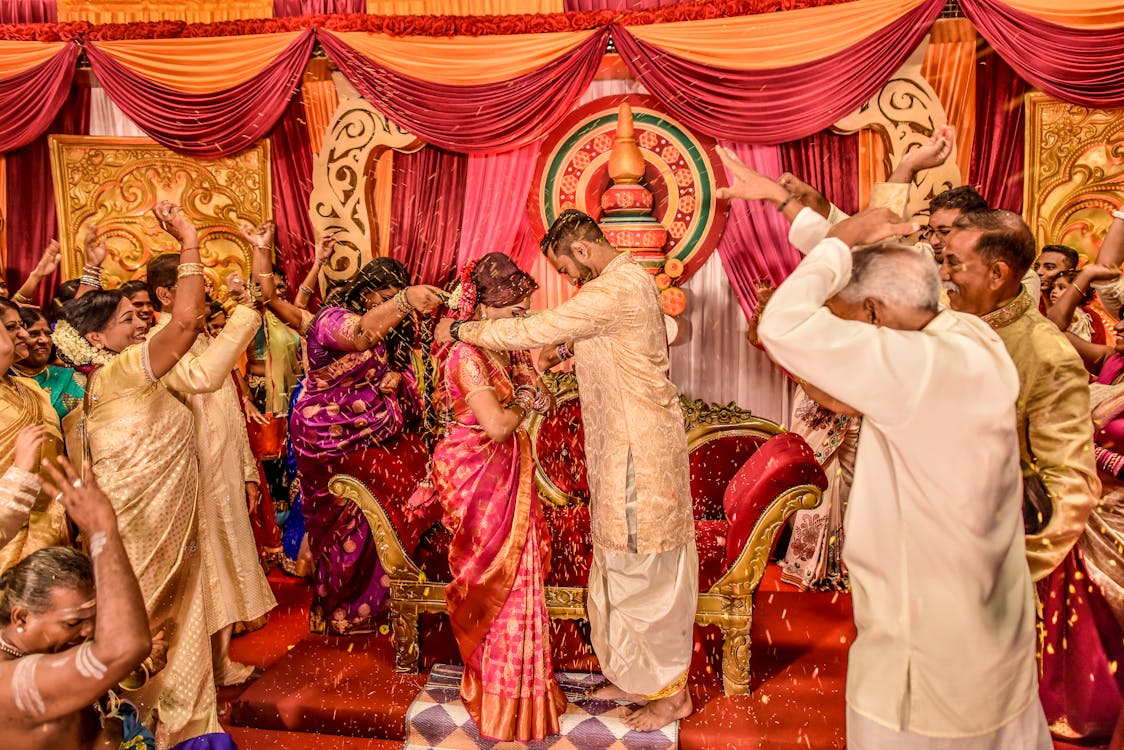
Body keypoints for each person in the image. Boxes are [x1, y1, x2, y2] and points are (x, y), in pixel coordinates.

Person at [757, 206, 1050, 748]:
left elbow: (783, 324)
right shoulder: (969, 338)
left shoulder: (912, 365)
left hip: (925, 650)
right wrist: (830, 232)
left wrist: (838, 242)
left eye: (847, 317)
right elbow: (895, 273)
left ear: (873, 314)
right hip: (993, 624)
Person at [436, 210, 697, 731]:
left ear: (580, 251)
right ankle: (639, 676)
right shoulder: (614, 290)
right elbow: (572, 339)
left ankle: (673, 696)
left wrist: (460, 328)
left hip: (639, 456)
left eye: (566, 269)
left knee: (647, 570)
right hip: (617, 453)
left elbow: (538, 326)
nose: (571, 281)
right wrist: (559, 353)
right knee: (618, 568)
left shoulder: (616, 287)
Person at [52, 201, 222, 745]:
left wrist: (93, 270)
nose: (142, 323)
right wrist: (190, 239)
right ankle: (164, 732)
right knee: (152, 635)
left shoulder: (95, 387)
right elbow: (190, 320)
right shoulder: (125, 372)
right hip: (146, 536)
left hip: (148, 532)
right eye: (128, 319)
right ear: (96, 340)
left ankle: (161, 730)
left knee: (154, 636)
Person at [430, 253, 565, 741]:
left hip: (507, 474)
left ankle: (525, 693)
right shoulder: (468, 356)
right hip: (478, 481)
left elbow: (539, 398)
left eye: (527, 311)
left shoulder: (502, 350)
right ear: (486, 310)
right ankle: (498, 698)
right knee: (498, 587)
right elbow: (498, 425)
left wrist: (535, 377)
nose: (522, 321)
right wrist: (526, 398)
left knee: (521, 581)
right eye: (515, 314)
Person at [287, 253, 443, 634]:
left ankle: (386, 604)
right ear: (368, 292)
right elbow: (360, 334)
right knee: (340, 528)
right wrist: (404, 301)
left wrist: (395, 381)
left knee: (382, 516)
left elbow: (405, 372)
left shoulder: (389, 325)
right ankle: (342, 609)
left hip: (372, 439)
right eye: (385, 298)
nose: (388, 308)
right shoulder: (332, 319)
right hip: (327, 441)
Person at [145, 251, 275, 687]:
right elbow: (203, 382)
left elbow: (230, 414)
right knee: (205, 576)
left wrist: (246, 472)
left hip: (222, 476)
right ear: (166, 295)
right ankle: (196, 672)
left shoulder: (199, 340)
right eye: (199, 294)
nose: (207, 303)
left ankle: (219, 664)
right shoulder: (160, 346)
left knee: (227, 568)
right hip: (192, 482)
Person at [0, 456, 151, 750]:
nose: (87, 633)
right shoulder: (11, 683)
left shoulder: (33, 652)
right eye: (73, 622)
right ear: (21, 618)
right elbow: (126, 647)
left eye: (93, 621)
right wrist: (101, 531)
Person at [0, 300, 65, 574]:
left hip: (50, 526)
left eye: (22, 326)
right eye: (12, 327)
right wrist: (21, 472)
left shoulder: (30, 387)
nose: (24, 334)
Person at [13, 307, 85, 423]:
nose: (44, 340)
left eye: (48, 333)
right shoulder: (7, 382)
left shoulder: (71, 376)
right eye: (33, 334)